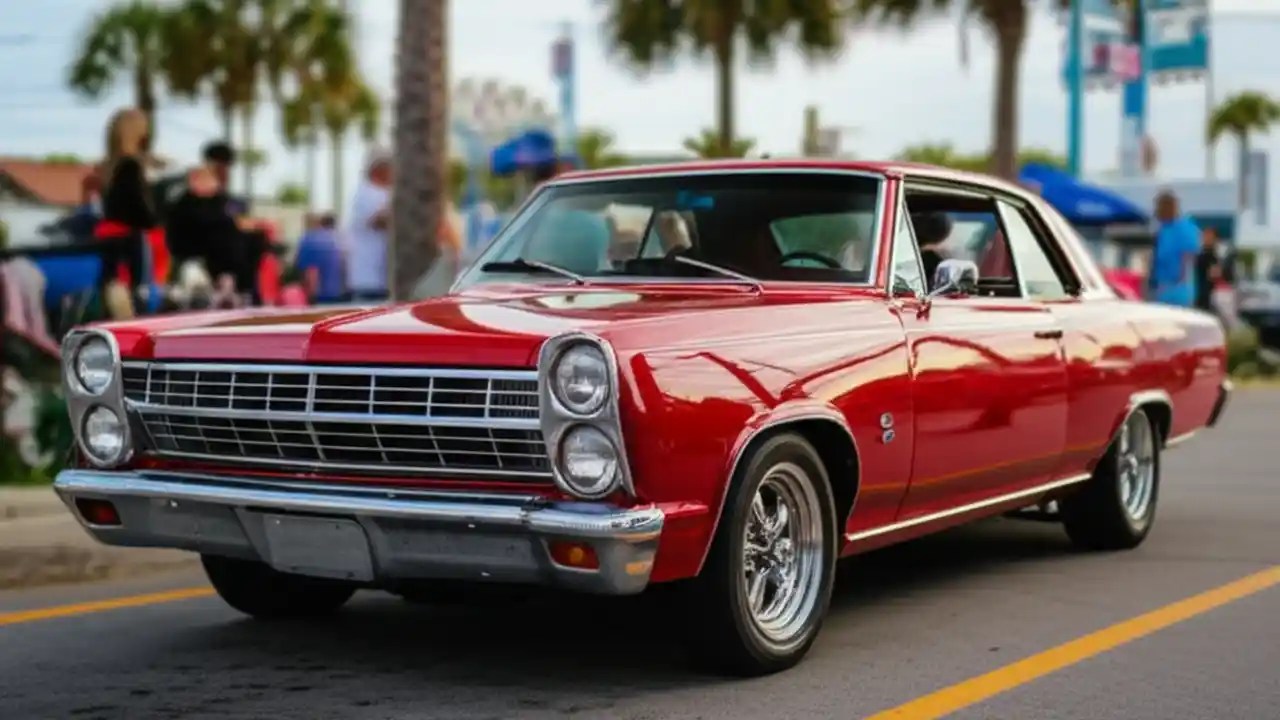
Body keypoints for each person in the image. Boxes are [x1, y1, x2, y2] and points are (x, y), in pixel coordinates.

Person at [343, 148, 393, 302]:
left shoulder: (385, 193)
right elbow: (378, 221)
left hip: (382, 280)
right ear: (380, 170)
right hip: (369, 281)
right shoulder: (366, 192)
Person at [1148, 191, 1201, 307]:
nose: (1156, 211)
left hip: (1176, 287)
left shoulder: (1184, 229)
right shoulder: (1163, 229)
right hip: (1166, 286)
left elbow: (1187, 260)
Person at [293, 213, 345, 304]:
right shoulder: (337, 239)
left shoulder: (310, 239)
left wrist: (311, 296)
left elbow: (312, 270)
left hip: (320, 296)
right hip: (339, 293)